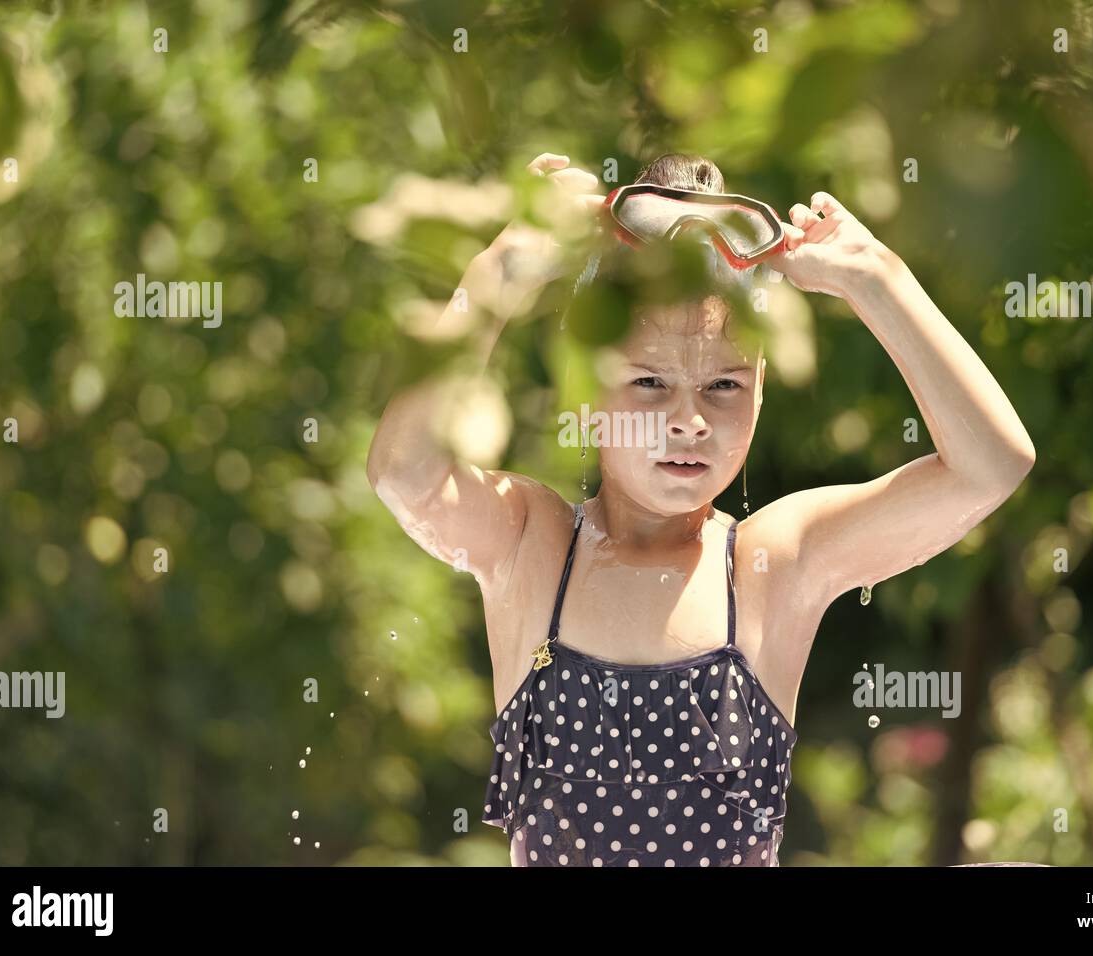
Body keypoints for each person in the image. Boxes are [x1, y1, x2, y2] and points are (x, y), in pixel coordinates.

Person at [366, 151, 1036, 866]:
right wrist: (496, 275)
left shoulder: (771, 565)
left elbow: (989, 468)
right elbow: (404, 473)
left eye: (723, 385)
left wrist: (875, 280)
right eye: (650, 382)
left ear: (762, 388)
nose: (689, 420)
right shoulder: (532, 545)